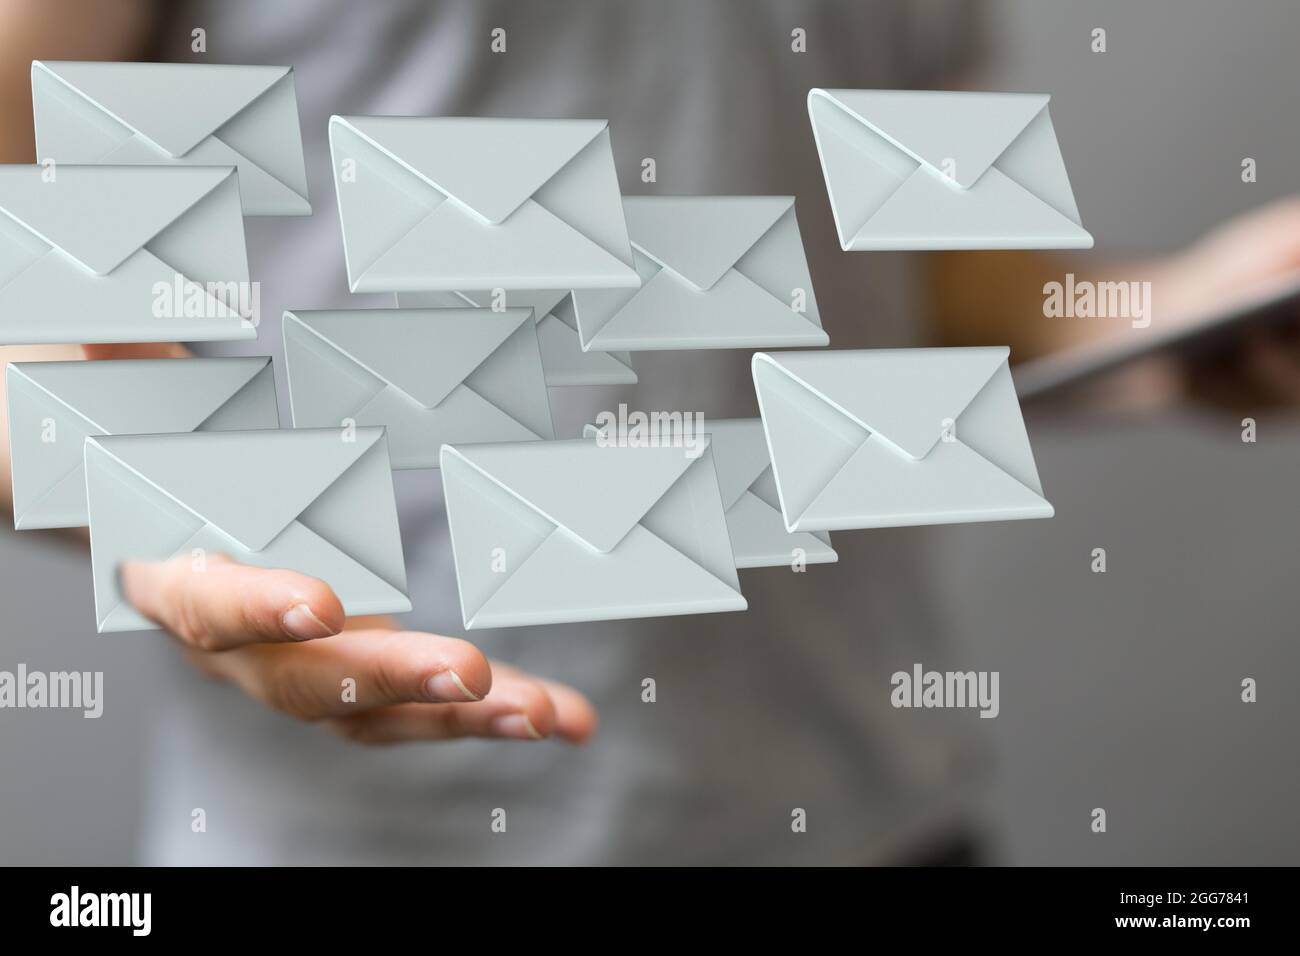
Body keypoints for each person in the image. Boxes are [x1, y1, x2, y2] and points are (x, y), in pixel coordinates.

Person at [1, 0, 1298, 865]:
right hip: (376, 840)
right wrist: (155, 523)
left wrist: (1168, 315)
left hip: (875, 816)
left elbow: (902, 256)